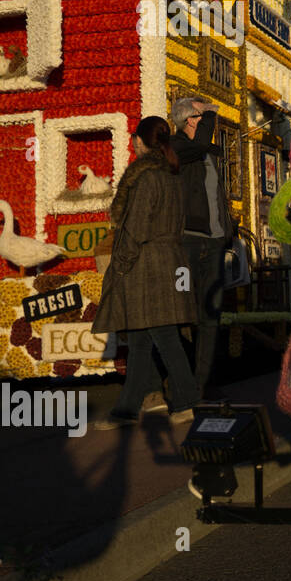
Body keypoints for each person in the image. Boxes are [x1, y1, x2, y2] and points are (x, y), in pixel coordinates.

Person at [92, 117, 199, 429]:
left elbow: (135, 229)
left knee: (162, 336)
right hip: (171, 260)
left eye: (135, 139)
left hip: (146, 264)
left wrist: (120, 265)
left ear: (141, 142)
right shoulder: (172, 175)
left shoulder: (147, 178)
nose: (133, 144)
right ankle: (127, 410)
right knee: (141, 339)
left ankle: (187, 401)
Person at [170, 96, 235, 396]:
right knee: (183, 312)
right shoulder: (177, 147)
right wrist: (210, 113)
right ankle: (181, 380)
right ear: (187, 121)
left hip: (215, 242)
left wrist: (227, 233)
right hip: (189, 243)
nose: (206, 119)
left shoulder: (207, 153)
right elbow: (201, 142)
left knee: (211, 316)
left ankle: (201, 385)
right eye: (200, 116)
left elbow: (216, 195)